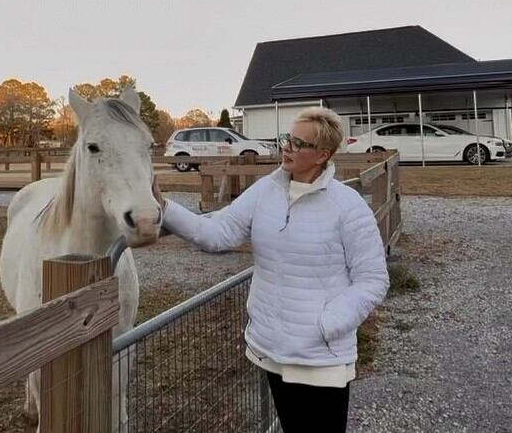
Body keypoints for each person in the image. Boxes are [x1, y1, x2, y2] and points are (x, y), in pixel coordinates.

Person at [152, 107, 389, 432]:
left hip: (322, 357)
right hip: (274, 350)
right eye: (286, 138)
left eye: (298, 143)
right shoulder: (265, 191)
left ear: (322, 154)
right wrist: (164, 209)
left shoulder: (348, 206)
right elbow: (219, 233)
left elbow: (373, 280)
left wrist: (327, 324)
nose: (286, 147)